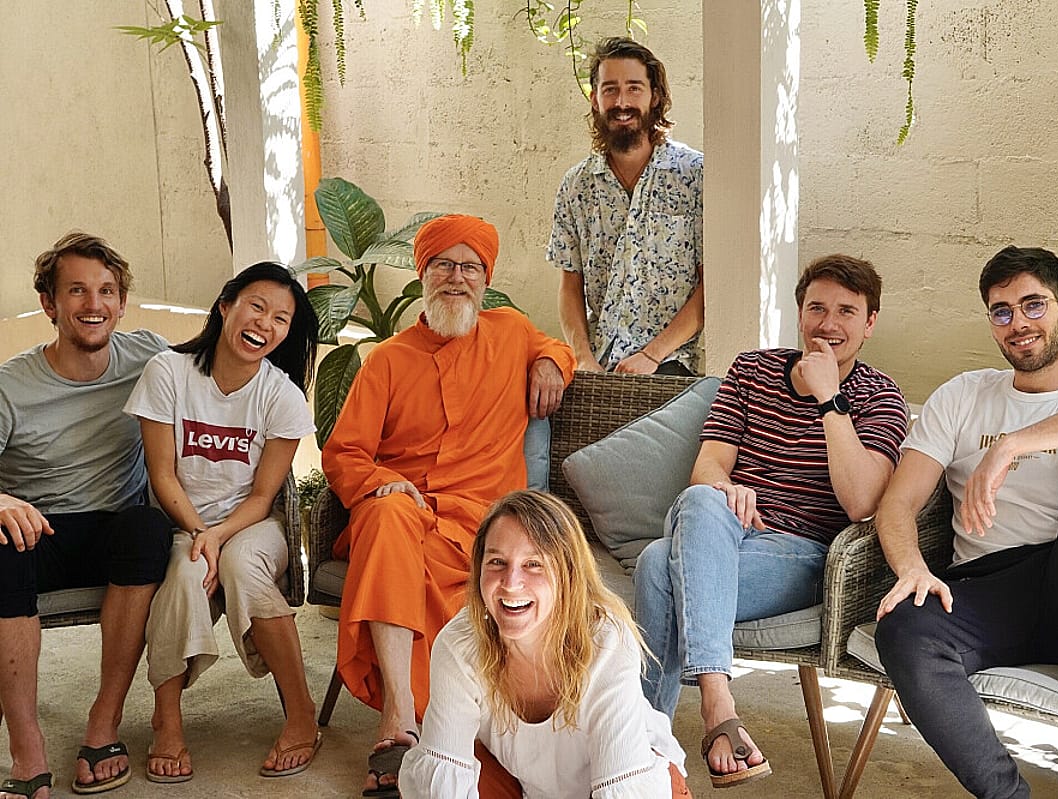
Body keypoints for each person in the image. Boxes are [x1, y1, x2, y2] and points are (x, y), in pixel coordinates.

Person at [872, 246, 1058, 799]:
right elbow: (897, 502)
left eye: (1033, 305)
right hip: (990, 589)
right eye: (1001, 311)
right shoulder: (963, 394)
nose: (1018, 323)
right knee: (905, 628)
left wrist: (1013, 444)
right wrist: (911, 569)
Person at [321, 214, 576, 796]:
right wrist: (383, 483)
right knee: (387, 521)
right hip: (403, 517)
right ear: (422, 275)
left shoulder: (510, 332)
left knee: (461, 561)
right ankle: (400, 718)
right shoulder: (386, 359)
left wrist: (548, 364)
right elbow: (343, 454)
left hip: (485, 524)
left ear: (485, 282)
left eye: (470, 268)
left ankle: (455, 734)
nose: (456, 278)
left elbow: (556, 347)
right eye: (443, 265)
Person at [634, 254, 909, 788]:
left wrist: (832, 398)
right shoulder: (753, 370)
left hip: (803, 555)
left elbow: (860, 504)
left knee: (653, 566)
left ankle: (650, 751)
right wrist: (727, 488)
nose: (829, 324)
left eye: (847, 312)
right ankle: (709, 712)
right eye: (817, 308)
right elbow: (708, 467)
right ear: (799, 313)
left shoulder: (880, 397)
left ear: (870, 322)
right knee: (702, 499)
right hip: (723, 533)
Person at [123, 262, 321, 783]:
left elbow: (262, 497)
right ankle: (166, 720)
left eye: (281, 319)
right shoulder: (167, 372)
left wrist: (216, 535)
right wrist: (196, 533)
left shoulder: (283, 396)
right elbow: (161, 474)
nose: (266, 324)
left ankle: (301, 714)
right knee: (186, 573)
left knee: (241, 566)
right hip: (177, 519)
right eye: (257, 306)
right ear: (226, 305)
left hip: (252, 525)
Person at [0, 232, 173, 799]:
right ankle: (26, 745)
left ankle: (104, 724)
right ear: (49, 304)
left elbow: (223, 362)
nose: (93, 304)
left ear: (122, 303)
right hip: (36, 533)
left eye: (105, 290)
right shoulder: (11, 385)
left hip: (113, 531)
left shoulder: (148, 356)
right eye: (76, 290)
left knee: (148, 528)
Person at [398, 490, 691, 798]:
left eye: (534, 564)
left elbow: (622, 788)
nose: (511, 583)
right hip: (524, 784)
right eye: (497, 561)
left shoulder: (607, 640)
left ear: (567, 574)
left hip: (626, 784)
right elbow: (443, 776)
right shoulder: (460, 642)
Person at [547, 36, 703, 376]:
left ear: (655, 96)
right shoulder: (576, 186)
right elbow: (570, 286)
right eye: (610, 89)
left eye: (634, 88)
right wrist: (582, 357)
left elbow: (711, 285)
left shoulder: (695, 176)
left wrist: (652, 355)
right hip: (598, 363)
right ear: (594, 99)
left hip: (674, 364)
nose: (621, 102)